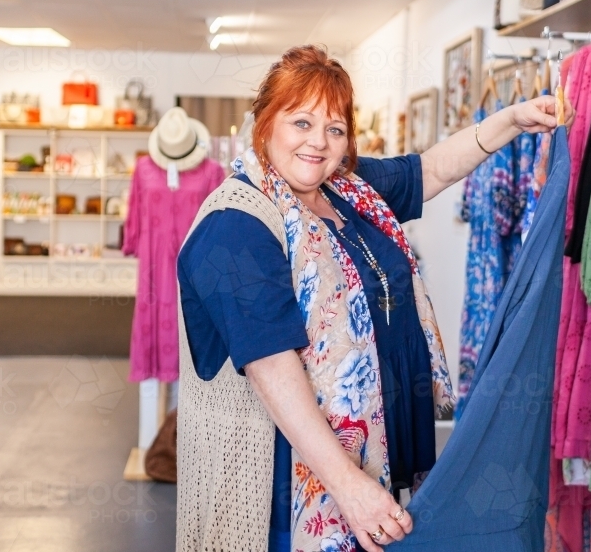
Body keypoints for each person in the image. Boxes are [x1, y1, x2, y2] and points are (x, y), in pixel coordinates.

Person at [176, 45, 569, 552]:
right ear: (265, 123)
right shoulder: (236, 223)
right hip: (286, 473)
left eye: (334, 129)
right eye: (301, 123)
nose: (318, 142)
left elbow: (432, 171)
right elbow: (270, 365)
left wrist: (513, 120)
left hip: (376, 446)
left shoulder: (344, 189)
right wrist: (346, 484)